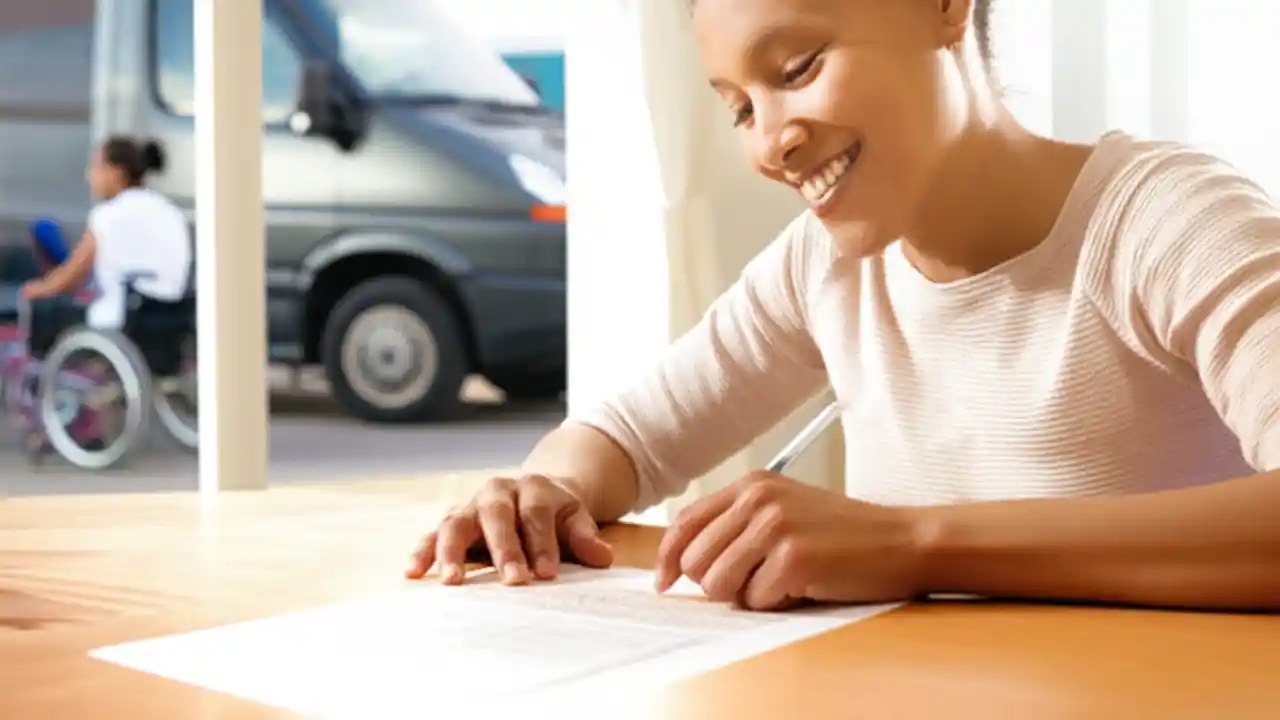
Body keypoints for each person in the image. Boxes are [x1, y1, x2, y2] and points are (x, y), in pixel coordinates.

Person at [406, 0, 1280, 611]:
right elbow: (626, 440)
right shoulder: (822, 268)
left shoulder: (1167, 222)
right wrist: (546, 492)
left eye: (798, 69)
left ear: (947, 5)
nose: (772, 141)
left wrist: (913, 545)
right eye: (741, 107)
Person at [22, 136, 192, 355]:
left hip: (120, 325)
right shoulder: (171, 213)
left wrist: (35, 290)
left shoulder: (107, 216)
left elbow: (69, 278)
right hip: (171, 325)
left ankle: (40, 383)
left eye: (96, 167)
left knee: (45, 313)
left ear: (117, 172)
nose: (89, 176)